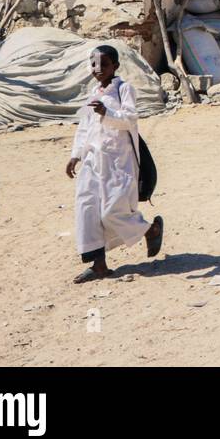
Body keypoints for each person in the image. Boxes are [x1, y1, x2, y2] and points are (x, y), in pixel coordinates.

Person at [66, 45, 163, 284]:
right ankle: (98, 266)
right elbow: (84, 127)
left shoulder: (123, 89)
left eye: (104, 64)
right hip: (92, 160)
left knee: (112, 212)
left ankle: (150, 230)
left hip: (118, 161)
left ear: (115, 66)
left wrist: (107, 112)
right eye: (93, 64)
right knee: (87, 210)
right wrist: (75, 154)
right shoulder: (93, 92)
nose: (97, 69)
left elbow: (129, 119)